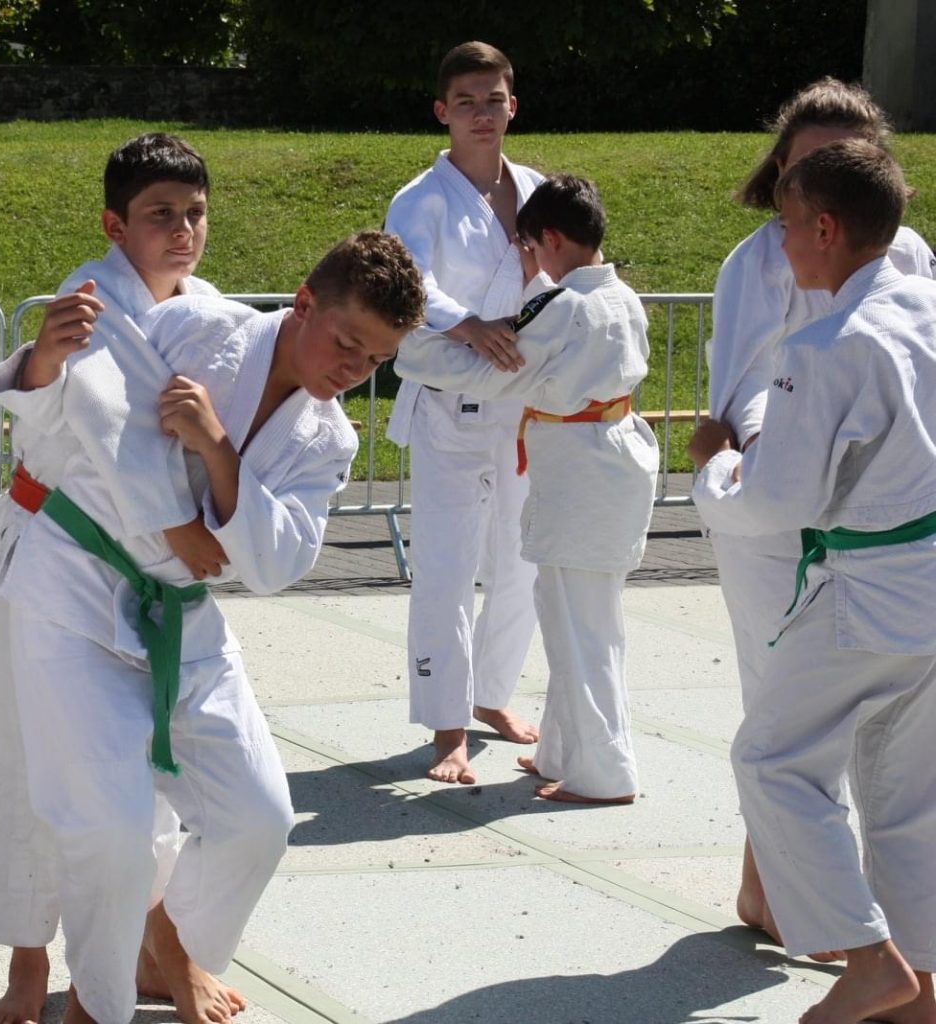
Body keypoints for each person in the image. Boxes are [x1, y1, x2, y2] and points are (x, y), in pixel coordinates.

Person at [0, 231, 424, 1024]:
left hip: (182, 617)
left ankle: (170, 939)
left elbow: (278, 560)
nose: (352, 369)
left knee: (259, 818)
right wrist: (176, 523)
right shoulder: (204, 331)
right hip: (75, 587)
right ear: (302, 304)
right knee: (112, 832)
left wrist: (220, 456)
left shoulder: (329, 436)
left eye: (374, 360)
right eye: (345, 342)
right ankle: (96, 1003)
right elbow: (100, 407)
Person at [0, 132, 229, 1024]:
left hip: (153, 583)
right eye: (160, 215)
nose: (182, 231)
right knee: (29, 772)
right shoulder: (80, 308)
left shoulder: (210, 314)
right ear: (116, 225)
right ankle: (29, 966)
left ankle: (152, 954)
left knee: (139, 785)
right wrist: (40, 363)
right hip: (53, 566)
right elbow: (37, 413)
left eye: (194, 213)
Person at [688, 139, 936, 1024]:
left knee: (773, 762)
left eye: (789, 228)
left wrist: (716, 471)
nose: (782, 247)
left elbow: (780, 500)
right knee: (905, 792)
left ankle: (869, 960)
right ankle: (922, 988)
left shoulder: (827, 343)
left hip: (867, 593)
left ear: (826, 229)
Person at [395, 175, 657, 804]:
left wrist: (404, 353)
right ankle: (565, 752)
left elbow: (488, 372)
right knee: (576, 618)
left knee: (582, 633)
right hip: (611, 468)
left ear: (550, 240)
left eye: (531, 249)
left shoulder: (565, 309)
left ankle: (605, 775)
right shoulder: (621, 298)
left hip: (580, 480)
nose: (529, 263)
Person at [382, 41, 543, 785]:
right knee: (446, 571)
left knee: (522, 561)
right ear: (444, 112)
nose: (483, 114)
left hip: (523, 409)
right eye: (468, 102)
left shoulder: (537, 190)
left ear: (514, 106)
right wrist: (467, 323)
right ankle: (447, 724)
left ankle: (490, 696)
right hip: (450, 406)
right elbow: (404, 279)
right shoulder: (420, 199)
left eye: (495, 99)